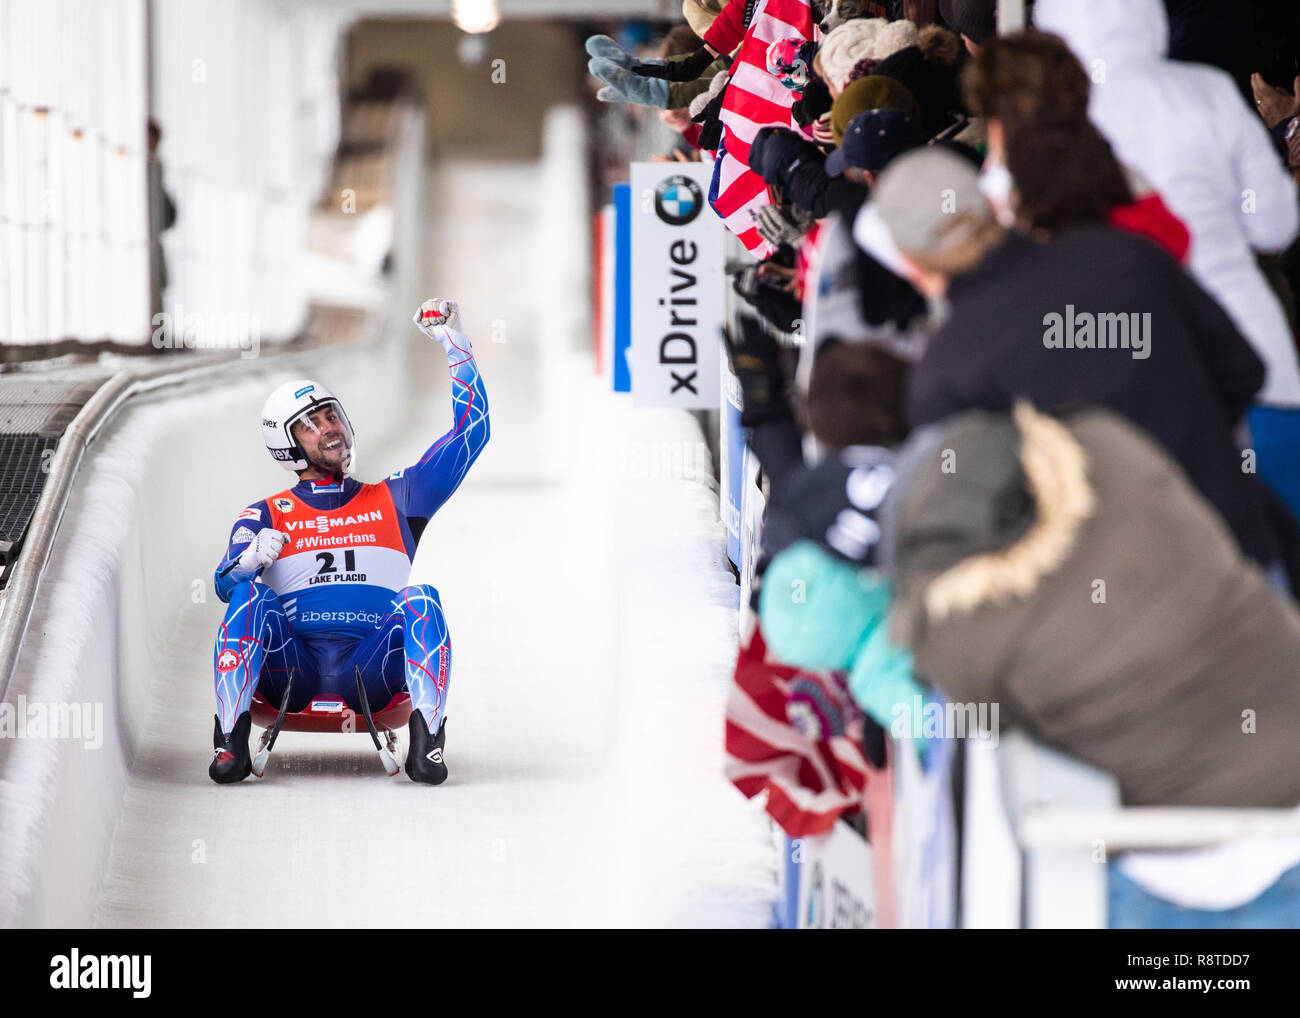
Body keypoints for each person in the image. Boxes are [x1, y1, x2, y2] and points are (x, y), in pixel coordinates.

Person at [870, 147, 1290, 582]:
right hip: (1238, 547)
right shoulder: (1119, 252)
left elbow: (984, 529)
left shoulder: (945, 378)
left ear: (910, 264)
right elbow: (1243, 370)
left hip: (1122, 606)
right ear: (993, 207)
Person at [1036, 0, 1300, 520]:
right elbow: (1277, 224)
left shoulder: (1045, 130)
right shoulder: (1207, 94)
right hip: (1252, 361)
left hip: (1124, 380)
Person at [207, 299, 490, 785]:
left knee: (422, 601)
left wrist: (454, 344)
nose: (330, 429)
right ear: (288, 446)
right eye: (311, 425)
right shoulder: (265, 513)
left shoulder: (398, 497)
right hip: (291, 670)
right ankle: (229, 744)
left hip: (372, 670)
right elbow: (224, 587)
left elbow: (472, 433)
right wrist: (249, 561)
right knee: (251, 597)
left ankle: (428, 747)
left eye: (331, 415)